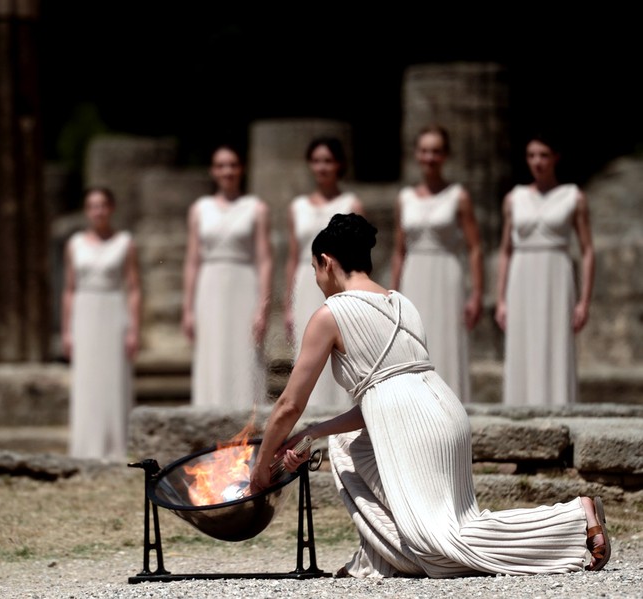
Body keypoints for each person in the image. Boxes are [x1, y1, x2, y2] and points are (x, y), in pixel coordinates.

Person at [251, 213, 609, 577]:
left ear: (326, 262)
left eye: (314, 269)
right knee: (347, 445)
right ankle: (376, 559)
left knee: (443, 547)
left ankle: (573, 517)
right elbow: (377, 402)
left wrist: (260, 469)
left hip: (412, 426)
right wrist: (313, 432)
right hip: (444, 412)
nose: (316, 280)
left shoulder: (330, 315)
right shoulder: (403, 303)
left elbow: (289, 405)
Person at [495, 135, 594, 406]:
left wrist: (584, 301)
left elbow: (587, 250)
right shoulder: (514, 198)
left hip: (557, 276)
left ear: (555, 158)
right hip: (521, 277)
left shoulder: (573, 196)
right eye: (532, 155)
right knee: (522, 345)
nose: (537, 162)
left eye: (543, 155)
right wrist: (501, 299)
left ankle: (560, 408)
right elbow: (506, 250)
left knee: (556, 343)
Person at [390, 125, 483, 402]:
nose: (430, 157)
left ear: (445, 155)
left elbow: (475, 247)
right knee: (413, 343)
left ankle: (450, 408)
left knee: (446, 342)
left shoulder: (458, 196)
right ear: (417, 155)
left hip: (446, 274)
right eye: (425, 151)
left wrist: (476, 293)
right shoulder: (404, 199)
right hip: (414, 274)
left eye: (436, 151)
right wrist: (391, 294)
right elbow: (399, 251)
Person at [182, 145, 272, 409]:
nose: (227, 171)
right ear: (212, 171)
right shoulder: (200, 209)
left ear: (241, 169)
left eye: (232, 165)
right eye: (221, 166)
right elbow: (192, 260)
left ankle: (248, 429)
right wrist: (187, 308)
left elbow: (265, 259)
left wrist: (263, 307)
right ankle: (209, 430)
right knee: (211, 354)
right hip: (209, 286)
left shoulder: (256, 208)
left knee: (244, 354)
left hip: (244, 284)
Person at [61, 187, 141, 461]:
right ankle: (86, 446)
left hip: (113, 311)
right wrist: (67, 330)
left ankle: (115, 445)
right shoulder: (74, 244)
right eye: (93, 206)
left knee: (114, 377)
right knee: (87, 379)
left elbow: (134, 289)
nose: (98, 211)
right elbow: (69, 289)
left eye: (103, 205)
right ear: (86, 211)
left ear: (112, 208)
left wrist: (134, 329)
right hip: (84, 313)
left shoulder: (124, 242)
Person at [285, 136, 364, 409]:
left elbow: (360, 255)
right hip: (306, 284)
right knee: (308, 349)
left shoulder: (352, 202)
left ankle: (342, 412)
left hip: (339, 285)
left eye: (328, 161)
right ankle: (308, 413)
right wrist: (288, 304)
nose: (322, 167)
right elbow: (294, 257)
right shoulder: (297, 207)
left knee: (342, 346)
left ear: (339, 164)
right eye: (317, 161)